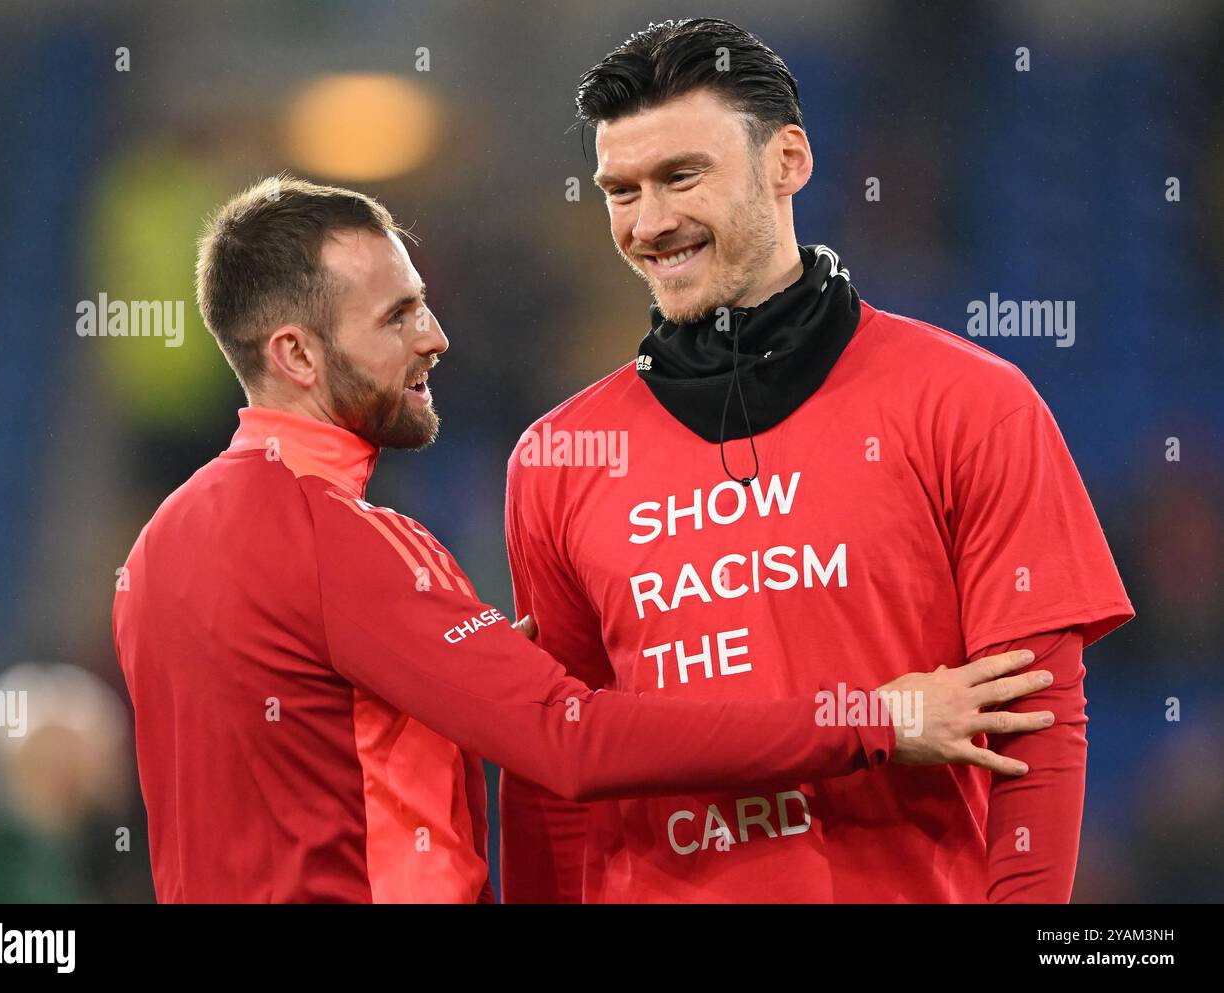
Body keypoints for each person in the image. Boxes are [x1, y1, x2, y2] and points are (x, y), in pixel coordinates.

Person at [112, 176, 1055, 903]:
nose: (436, 336)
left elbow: (300, 763)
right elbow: (569, 740)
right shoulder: (340, 538)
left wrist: (467, 688)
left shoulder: (158, 545)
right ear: (297, 354)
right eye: (397, 316)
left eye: (423, 301)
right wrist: (878, 720)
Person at [500, 18, 1134, 903]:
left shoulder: (969, 402)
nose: (650, 223)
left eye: (682, 176)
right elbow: (555, 762)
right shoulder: (558, 457)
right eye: (621, 190)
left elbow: (1038, 722)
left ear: (787, 161)